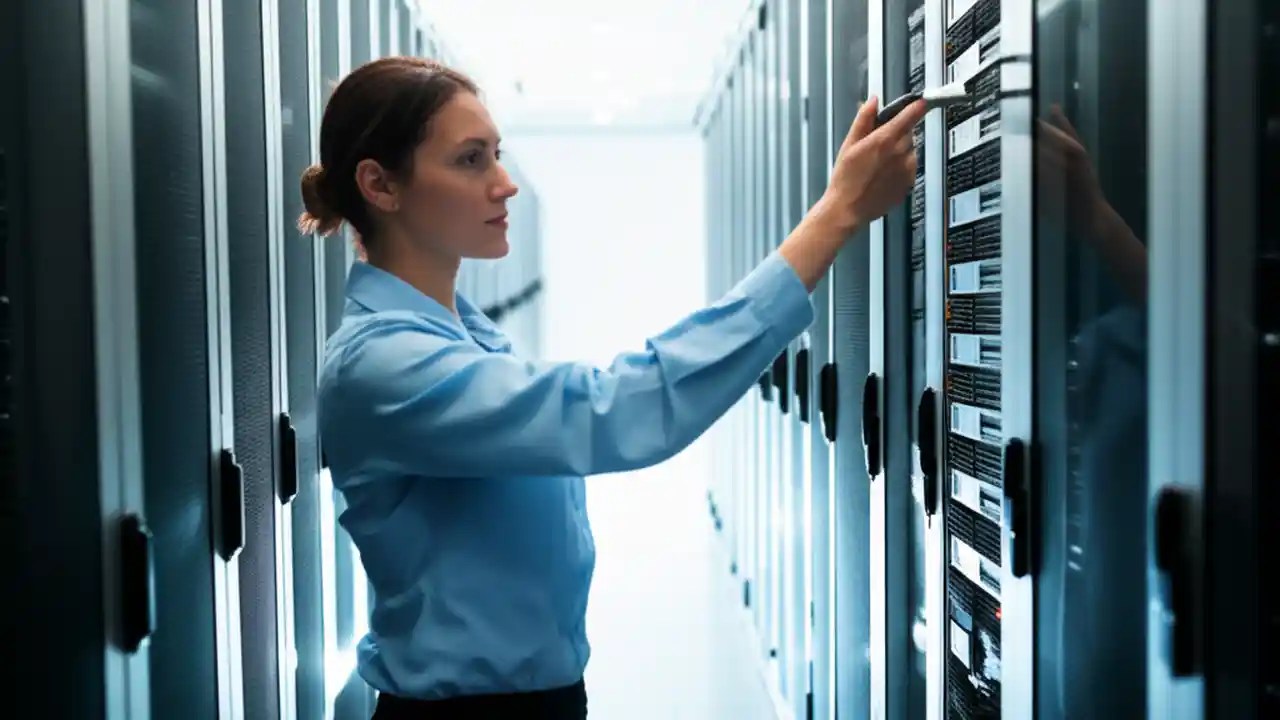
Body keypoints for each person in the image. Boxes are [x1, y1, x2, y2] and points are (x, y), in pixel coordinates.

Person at [303, 56, 925, 719]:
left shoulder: (462, 334)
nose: (504, 184)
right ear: (381, 185)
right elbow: (614, 411)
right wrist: (834, 216)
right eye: (470, 160)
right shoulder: (382, 365)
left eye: (498, 155)